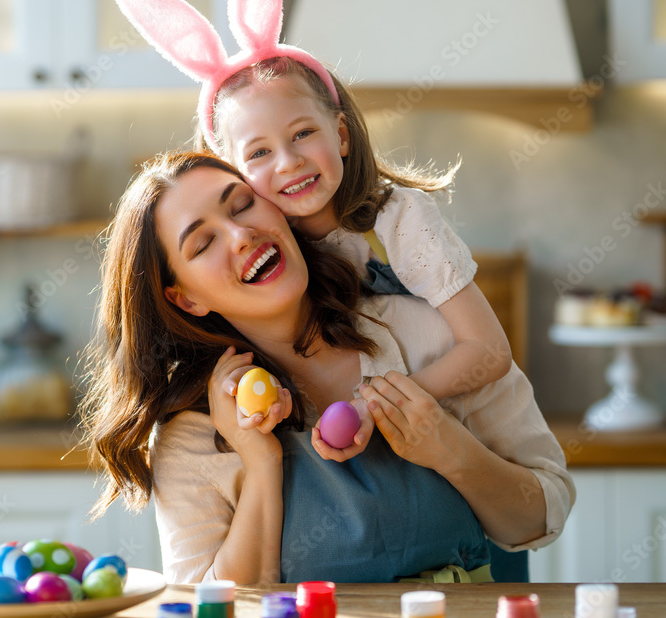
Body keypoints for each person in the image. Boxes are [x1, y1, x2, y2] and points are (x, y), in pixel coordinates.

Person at [77, 151, 574, 585]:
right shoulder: (193, 432)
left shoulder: (431, 336)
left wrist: (450, 450)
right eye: (203, 244)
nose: (240, 233)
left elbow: (538, 519)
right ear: (184, 297)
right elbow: (212, 605)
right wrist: (261, 461)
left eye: (243, 203)